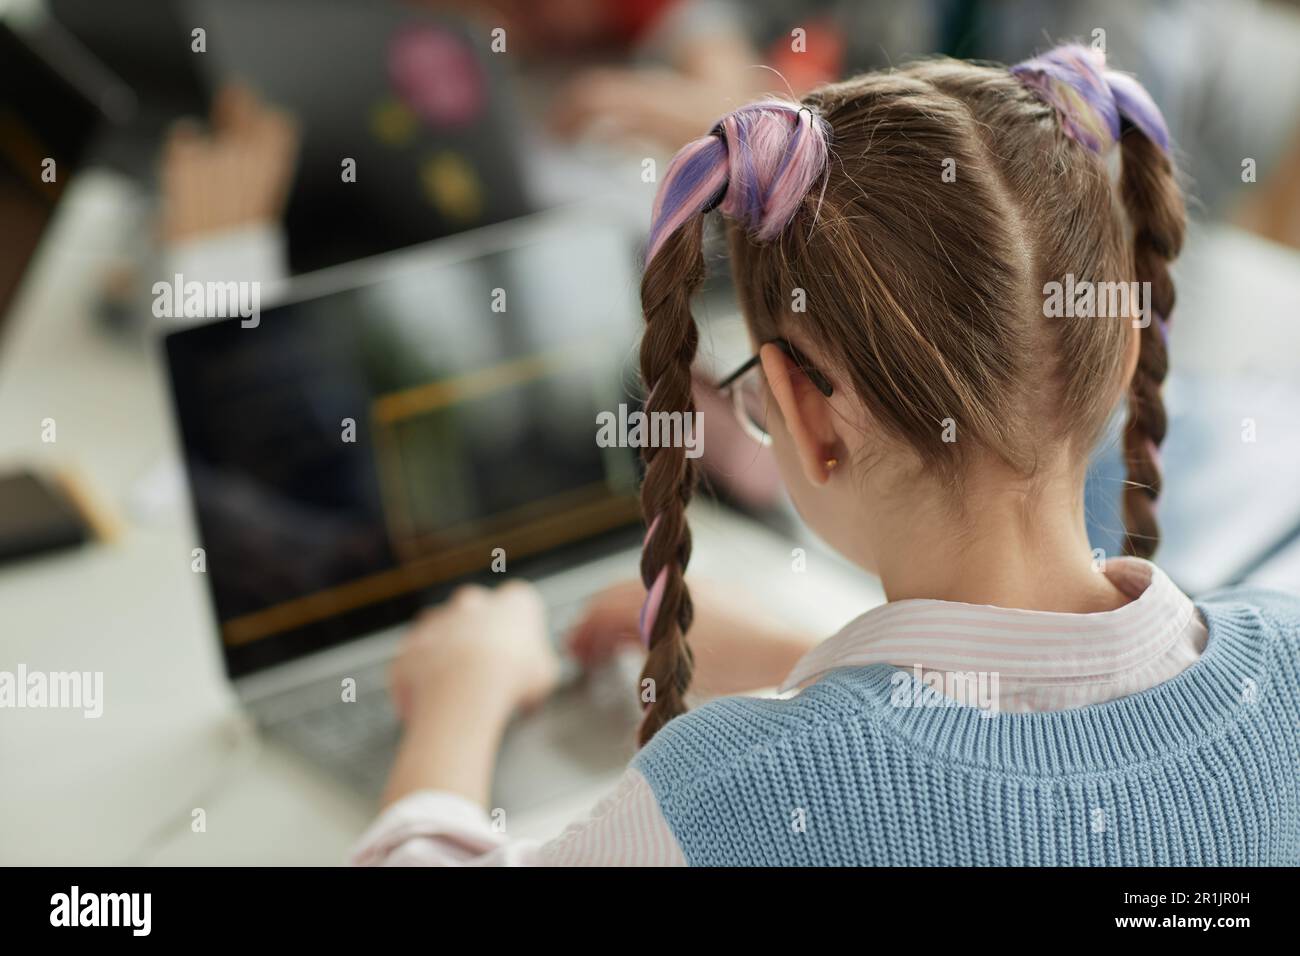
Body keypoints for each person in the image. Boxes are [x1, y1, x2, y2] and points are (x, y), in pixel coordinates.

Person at [352, 44, 1300, 866]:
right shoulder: (1285, 663)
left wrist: (459, 698)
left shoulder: (742, 799)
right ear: (1125, 352)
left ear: (806, 415)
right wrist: (806, 662)